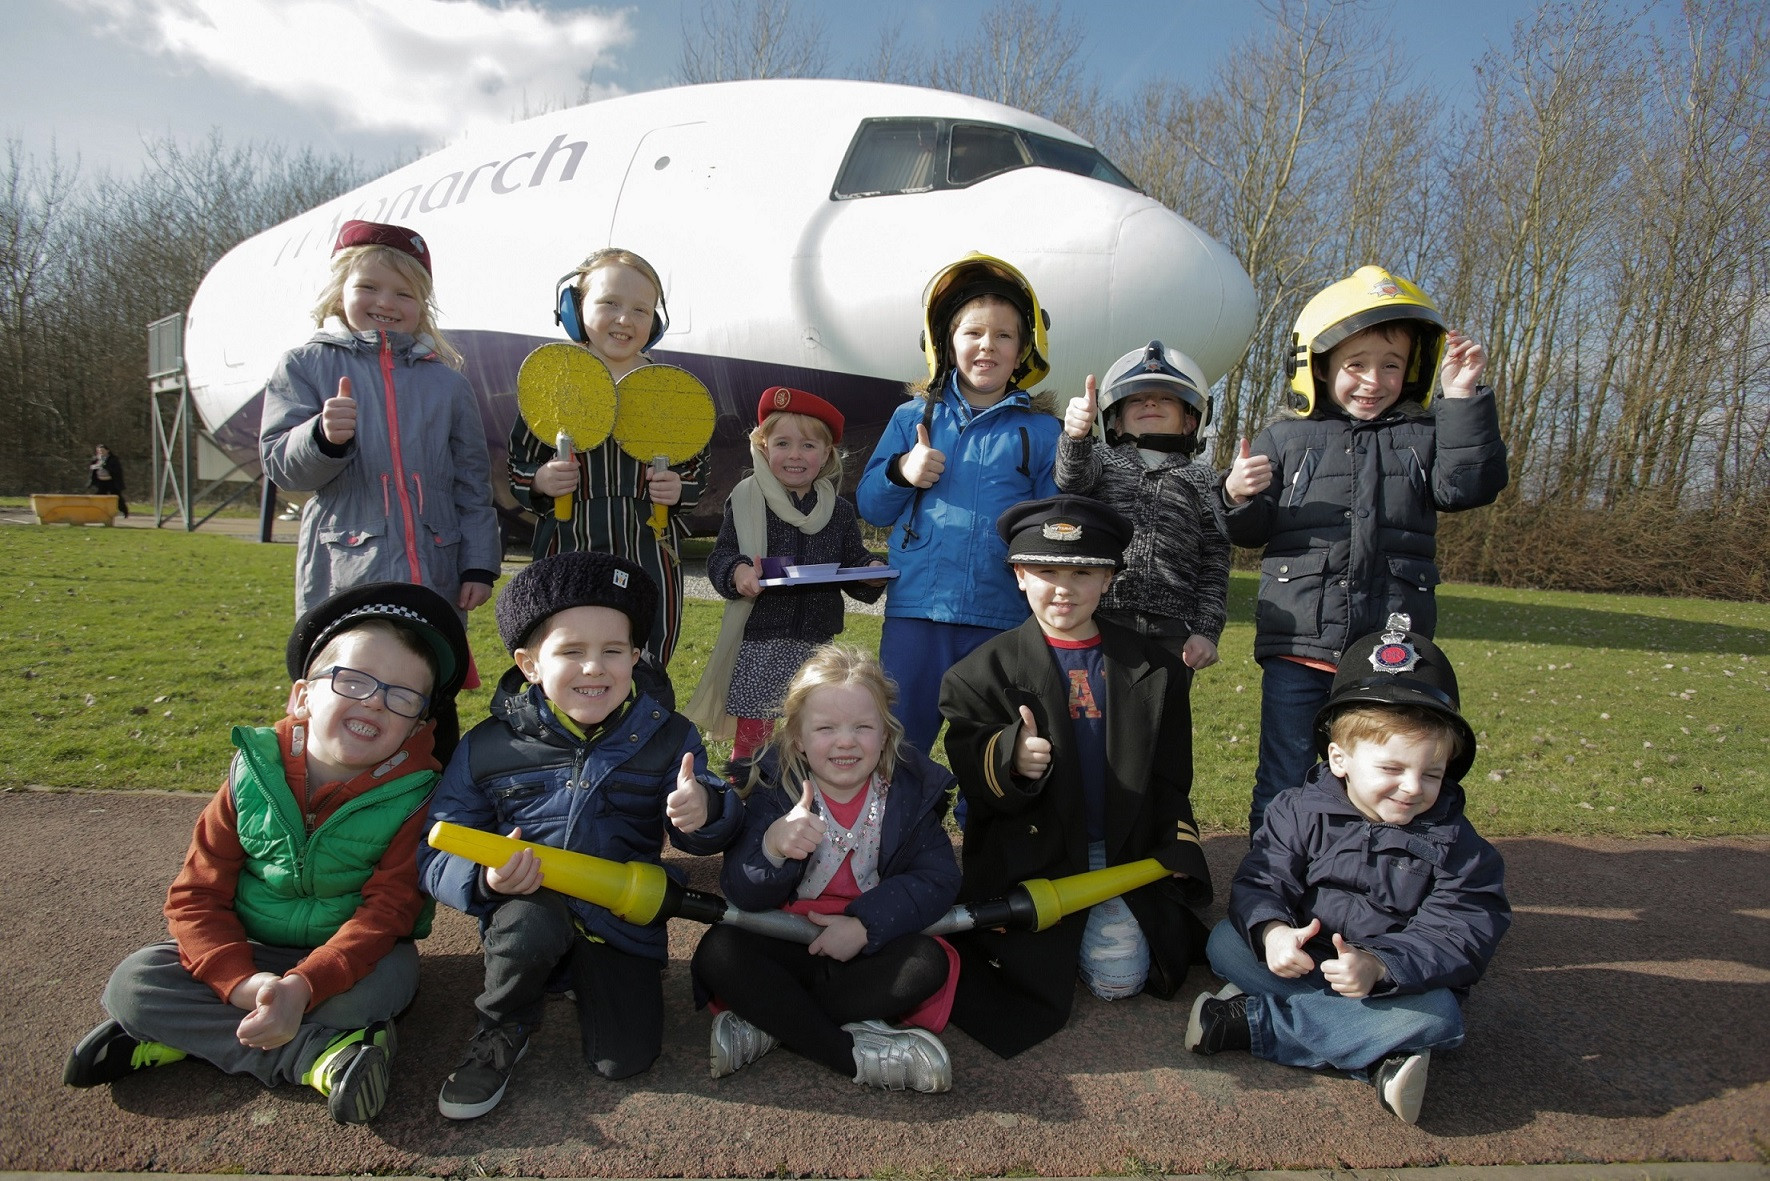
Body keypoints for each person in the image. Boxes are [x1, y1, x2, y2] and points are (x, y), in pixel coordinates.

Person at [63, 583, 472, 1124]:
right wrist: (246, 984)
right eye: (352, 680)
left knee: (382, 988)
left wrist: (304, 986)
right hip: (251, 951)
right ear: (302, 696)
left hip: (350, 964)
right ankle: (316, 1057)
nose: (375, 700)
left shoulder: (417, 796)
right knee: (135, 981)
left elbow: (386, 914)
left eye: (402, 696)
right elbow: (196, 896)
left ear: (419, 725)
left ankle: (187, 1038)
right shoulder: (250, 774)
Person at [419, 550, 742, 1119]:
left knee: (626, 1060)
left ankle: (577, 973)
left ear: (636, 656)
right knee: (528, 926)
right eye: (571, 651)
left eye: (613, 651)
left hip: (619, 915)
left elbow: (712, 826)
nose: (595, 668)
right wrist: (486, 881)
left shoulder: (670, 738)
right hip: (527, 905)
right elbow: (434, 846)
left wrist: (704, 808)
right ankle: (503, 1023)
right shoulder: (487, 746)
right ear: (529, 663)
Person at [1185, 616, 1511, 1126]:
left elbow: (1462, 932)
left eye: (1431, 773)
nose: (1411, 788)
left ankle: (1251, 1023)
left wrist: (1380, 967)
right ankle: (1379, 1059)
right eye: (1391, 769)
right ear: (1340, 759)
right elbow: (1262, 880)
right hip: (1305, 961)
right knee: (1225, 942)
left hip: (1390, 983)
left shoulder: (1460, 846)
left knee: (1439, 1015)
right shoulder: (1296, 809)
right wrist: (1272, 933)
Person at [1223, 265, 1508, 836]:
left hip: (1391, 648)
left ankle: (1370, 886)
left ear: (1414, 370)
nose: (1372, 381)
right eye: (1355, 365)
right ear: (1320, 367)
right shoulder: (1285, 437)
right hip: (1300, 645)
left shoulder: (1426, 433)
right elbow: (1248, 531)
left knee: (1384, 778)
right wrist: (1235, 494)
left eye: (1391, 366)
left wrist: (1462, 398)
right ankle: (1270, 893)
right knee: (1285, 774)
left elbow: (1467, 486)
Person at [938, 495, 1213, 1059]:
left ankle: (1109, 920)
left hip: (1116, 854)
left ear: (1108, 578)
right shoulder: (977, 673)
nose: (1063, 588)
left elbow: (1170, 776)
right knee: (1026, 972)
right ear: (1018, 575)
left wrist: (1172, 852)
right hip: (1033, 856)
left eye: (1083, 572)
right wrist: (1010, 759)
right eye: (1045, 571)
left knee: (1121, 983)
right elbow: (968, 758)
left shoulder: (1155, 668)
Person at [691, 645, 961, 1092]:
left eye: (862, 727)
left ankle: (772, 1020)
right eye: (826, 728)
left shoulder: (909, 793)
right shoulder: (771, 787)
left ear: (886, 733)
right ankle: (851, 1054)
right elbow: (742, 891)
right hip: (786, 938)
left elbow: (938, 880)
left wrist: (863, 925)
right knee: (719, 951)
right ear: (797, 737)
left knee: (925, 963)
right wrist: (773, 848)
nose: (845, 741)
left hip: (867, 947)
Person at [856, 253, 1062, 756]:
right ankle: (900, 835)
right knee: (899, 747)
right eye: (973, 333)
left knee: (992, 750)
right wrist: (901, 471)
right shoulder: (911, 417)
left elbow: (1053, 529)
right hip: (917, 616)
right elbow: (870, 506)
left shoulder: (1042, 432)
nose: (987, 345)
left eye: (1004, 335)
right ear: (946, 343)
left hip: (1003, 618)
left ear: (1024, 351)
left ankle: (987, 837)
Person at [259, 221, 500, 627]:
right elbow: (281, 465)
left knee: (427, 676)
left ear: (423, 304)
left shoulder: (449, 385)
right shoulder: (303, 365)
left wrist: (478, 565)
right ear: (340, 292)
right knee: (348, 675)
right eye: (369, 287)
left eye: (404, 293)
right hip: (345, 571)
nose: (386, 303)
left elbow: (472, 483)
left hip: (435, 573)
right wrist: (322, 437)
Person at [507, 248, 706, 668]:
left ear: (656, 323)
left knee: (644, 655)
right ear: (575, 310)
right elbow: (518, 464)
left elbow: (695, 470)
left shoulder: (668, 392)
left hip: (648, 545)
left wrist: (678, 489)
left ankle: (645, 723)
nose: (625, 318)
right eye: (609, 303)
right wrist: (540, 481)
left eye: (641, 309)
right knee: (568, 646)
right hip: (569, 540)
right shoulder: (552, 386)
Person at [685, 388, 887, 771]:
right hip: (762, 636)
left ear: (826, 453)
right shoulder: (746, 499)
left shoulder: (839, 511)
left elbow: (853, 561)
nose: (795, 455)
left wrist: (871, 572)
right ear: (763, 447)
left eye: (808, 445)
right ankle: (745, 791)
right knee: (755, 729)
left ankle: (806, 791)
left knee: (812, 725)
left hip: (816, 640)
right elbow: (722, 556)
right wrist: (738, 571)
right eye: (782, 443)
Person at [1056, 340, 1230, 673]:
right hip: (1098, 615)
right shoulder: (1101, 460)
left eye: (1166, 398)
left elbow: (1215, 560)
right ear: (1115, 422)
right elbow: (1071, 480)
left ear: (1190, 422)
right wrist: (1076, 437)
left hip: (1174, 630)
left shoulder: (1204, 478)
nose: (1150, 402)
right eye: (1136, 398)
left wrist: (1206, 631)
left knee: (1161, 721)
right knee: (1095, 715)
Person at [88, 443, 127, 518]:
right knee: (99, 497)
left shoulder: (113, 459)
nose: (100, 452)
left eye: (102, 450)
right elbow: (92, 470)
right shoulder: (96, 459)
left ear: (107, 451)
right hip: (101, 482)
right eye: (98, 451)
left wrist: (103, 465)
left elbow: (116, 470)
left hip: (111, 482)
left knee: (116, 497)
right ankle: (99, 512)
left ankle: (124, 512)